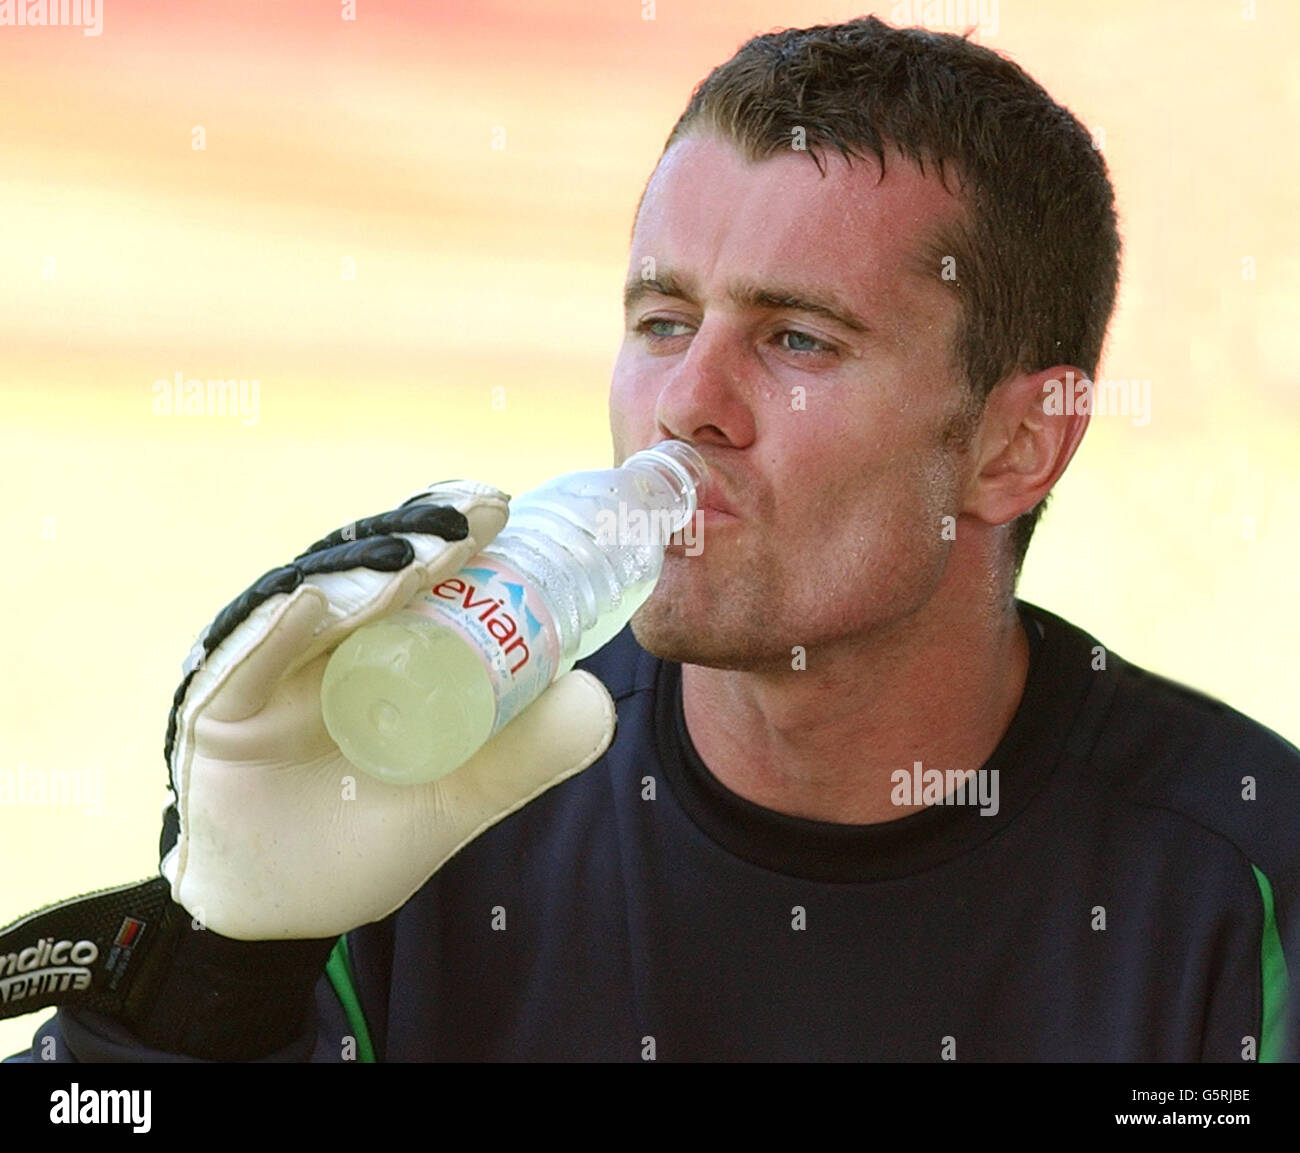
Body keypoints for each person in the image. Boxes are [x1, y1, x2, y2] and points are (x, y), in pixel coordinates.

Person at [3, 14, 1296, 1062]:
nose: (687, 404)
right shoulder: (425, 823)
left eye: (796, 339)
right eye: (663, 320)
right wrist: (219, 969)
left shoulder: (1247, 888)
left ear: (1019, 444)